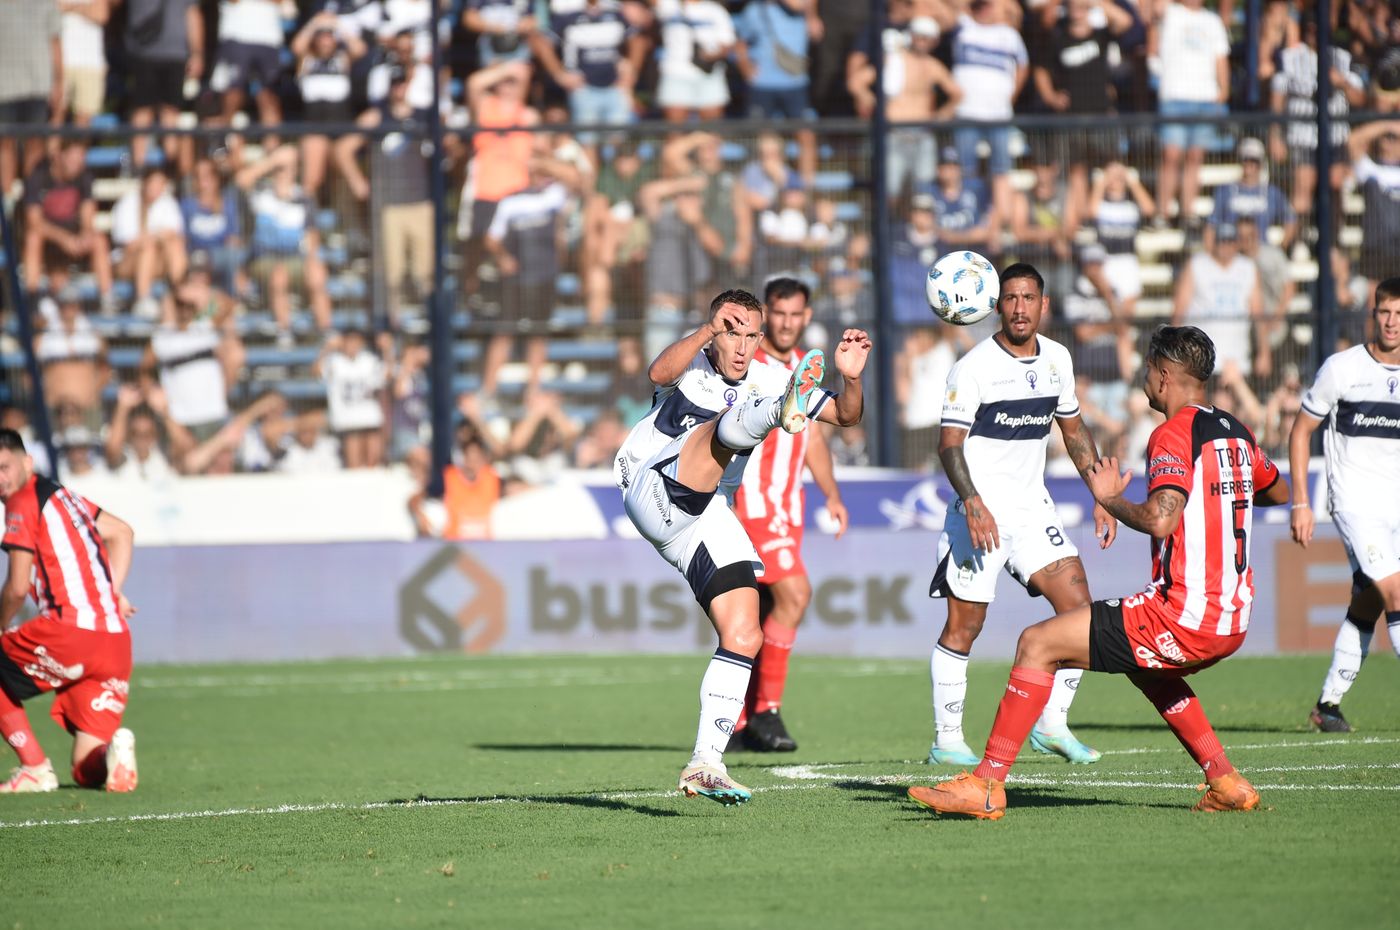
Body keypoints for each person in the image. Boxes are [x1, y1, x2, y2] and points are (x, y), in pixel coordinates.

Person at [909, 325, 1291, 819]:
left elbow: (1160, 517)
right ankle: (1225, 781)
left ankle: (986, 784)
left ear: (1166, 374)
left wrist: (1109, 497)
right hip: (1233, 618)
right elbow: (1277, 492)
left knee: (1037, 643)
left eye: (1149, 370)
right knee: (1147, 670)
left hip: (1184, 614)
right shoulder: (1236, 433)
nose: (1144, 379)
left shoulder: (1173, 433)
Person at [614, 288, 869, 804]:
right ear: (717, 331)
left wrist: (853, 375)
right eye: (734, 332)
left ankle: (706, 762)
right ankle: (776, 414)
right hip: (652, 484)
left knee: (745, 630)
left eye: (752, 335)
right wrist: (707, 330)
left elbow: (845, 416)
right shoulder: (692, 364)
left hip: (706, 513)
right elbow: (657, 375)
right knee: (725, 427)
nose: (743, 346)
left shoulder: (772, 373)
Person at [922, 262, 1118, 768]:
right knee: (966, 627)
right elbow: (949, 446)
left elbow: (1072, 430)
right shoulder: (973, 368)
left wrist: (1101, 492)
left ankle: (1052, 725)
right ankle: (947, 740)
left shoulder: (1057, 359)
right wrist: (972, 503)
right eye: (1009, 298)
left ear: (1043, 304)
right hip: (978, 515)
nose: (1018, 308)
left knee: (1080, 613)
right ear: (996, 305)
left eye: (1028, 298)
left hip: (1032, 512)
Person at [726, 278, 848, 753]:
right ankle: (766, 712)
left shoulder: (804, 367)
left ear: (807, 316)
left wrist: (832, 494)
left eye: (796, 314)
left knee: (754, 614)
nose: (786, 322)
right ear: (765, 315)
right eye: (778, 313)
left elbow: (812, 436)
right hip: (751, 503)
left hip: (786, 509)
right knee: (795, 594)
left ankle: (736, 723)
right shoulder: (746, 365)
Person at [1288, 278, 1400, 733]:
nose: (1392, 323)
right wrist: (1300, 500)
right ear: (1372, 315)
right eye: (1385, 313)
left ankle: (1327, 706)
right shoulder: (1342, 368)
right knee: (1396, 591)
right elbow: (1299, 433)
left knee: (1370, 598)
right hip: (1355, 503)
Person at [0, 429, 139, 794]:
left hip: (69, 634)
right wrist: (113, 594)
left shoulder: (20, 501)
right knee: (85, 767)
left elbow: (16, 587)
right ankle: (114, 754)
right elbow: (122, 532)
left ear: (27, 463)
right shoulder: (67, 498)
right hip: (115, 643)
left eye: (4, 467)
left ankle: (33, 767)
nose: (1, 479)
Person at [1149, 0, 1229, 228]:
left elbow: (1220, 57)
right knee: (1171, 156)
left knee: (1195, 157)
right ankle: (1162, 213)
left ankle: (1187, 213)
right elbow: (1154, 8)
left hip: (1205, 99)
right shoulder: (1170, 12)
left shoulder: (1212, 21)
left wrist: (1223, 91)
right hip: (1174, 97)